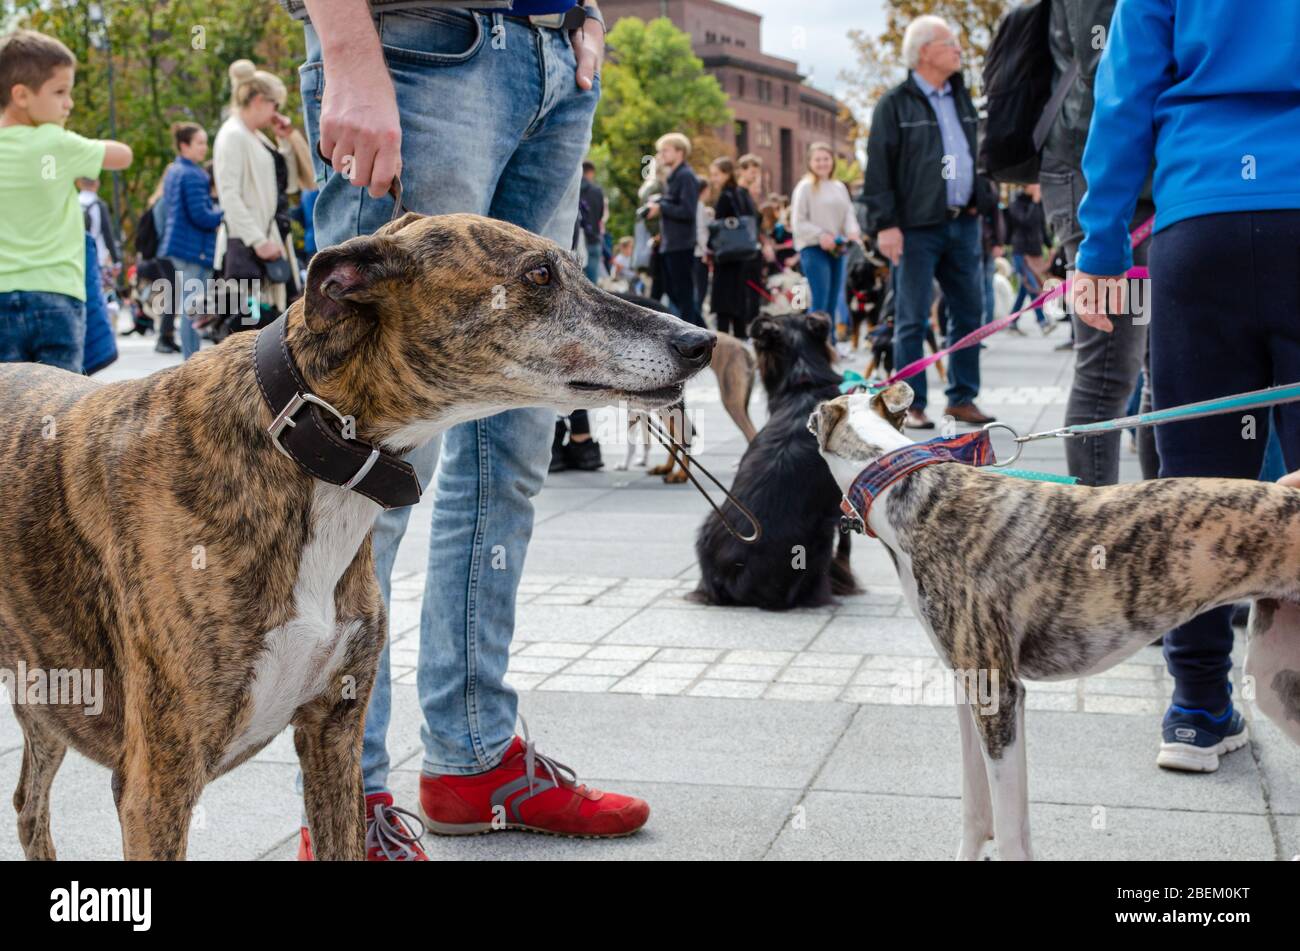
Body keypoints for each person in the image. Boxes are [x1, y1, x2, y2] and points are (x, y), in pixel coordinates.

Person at [289, 0, 649, 859]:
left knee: (516, 441)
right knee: (367, 445)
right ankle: (346, 802)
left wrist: (583, 23)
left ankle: (474, 756)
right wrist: (346, 45)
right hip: (418, 44)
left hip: (553, 58)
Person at [1072, 0, 1300, 772]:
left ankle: (1197, 706)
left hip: (1202, 218)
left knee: (1196, 481)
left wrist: (1100, 243)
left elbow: (1124, 91)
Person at [1043, 0, 1158, 486]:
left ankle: (1163, 520)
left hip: (1139, 187)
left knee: (1166, 368)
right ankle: (1096, 536)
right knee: (1111, 368)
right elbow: (1109, 85)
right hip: (1108, 191)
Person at [864, 14, 993, 429]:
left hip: (962, 223)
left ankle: (962, 397)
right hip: (915, 227)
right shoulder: (894, 103)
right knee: (912, 317)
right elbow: (878, 168)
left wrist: (982, 199)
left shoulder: (960, 97)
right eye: (949, 42)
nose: (958, 49)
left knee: (970, 311)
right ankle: (910, 403)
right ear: (924, 52)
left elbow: (977, 153)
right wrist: (884, 224)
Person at [0, 29, 132, 372]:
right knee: (60, 406)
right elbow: (123, 156)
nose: (68, 103)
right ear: (22, 95)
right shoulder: (55, 142)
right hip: (56, 296)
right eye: (60, 92)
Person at [213, 59, 299, 320]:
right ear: (260, 99)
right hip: (250, 248)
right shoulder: (233, 135)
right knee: (249, 328)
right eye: (275, 105)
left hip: (267, 241)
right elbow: (229, 195)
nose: (276, 112)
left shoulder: (254, 136)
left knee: (264, 326)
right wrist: (258, 241)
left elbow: (289, 184)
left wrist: (284, 141)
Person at [159, 122, 223, 360]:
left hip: (179, 246)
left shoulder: (174, 171)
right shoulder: (195, 174)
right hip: (195, 248)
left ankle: (189, 358)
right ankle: (191, 360)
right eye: (200, 143)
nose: (204, 148)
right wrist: (225, 213)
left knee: (189, 302)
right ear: (184, 145)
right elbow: (201, 216)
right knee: (194, 305)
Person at [791, 141, 860, 348]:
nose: (822, 163)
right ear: (810, 162)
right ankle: (811, 347)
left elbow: (849, 213)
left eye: (826, 159)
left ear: (832, 161)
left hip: (838, 249)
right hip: (814, 248)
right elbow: (798, 222)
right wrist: (821, 235)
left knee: (833, 300)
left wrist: (852, 230)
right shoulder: (805, 187)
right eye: (817, 159)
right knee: (819, 301)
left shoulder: (839, 187)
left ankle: (829, 346)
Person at [645, 131, 701, 326]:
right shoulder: (675, 176)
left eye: (666, 151)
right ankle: (702, 330)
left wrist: (662, 206)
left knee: (683, 294)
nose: (661, 155)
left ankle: (697, 335)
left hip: (681, 243)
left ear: (680, 152)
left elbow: (687, 210)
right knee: (675, 292)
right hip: (671, 243)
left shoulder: (685, 176)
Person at [707, 156, 758, 339]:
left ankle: (722, 338)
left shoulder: (725, 196)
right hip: (741, 253)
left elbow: (719, 225)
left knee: (723, 298)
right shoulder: (740, 194)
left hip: (727, 253)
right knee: (738, 296)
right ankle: (740, 334)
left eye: (716, 174)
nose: (713, 178)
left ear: (727, 174)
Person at [1005, 184, 1049, 333]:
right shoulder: (1016, 203)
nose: (1037, 187)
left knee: (1025, 289)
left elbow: (1041, 226)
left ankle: (1012, 320)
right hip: (1021, 251)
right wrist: (1035, 203)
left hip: (1035, 251)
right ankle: (1043, 321)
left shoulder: (1038, 203)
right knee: (1032, 286)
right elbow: (1026, 222)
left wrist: (1050, 245)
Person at [578, 158, 604, 283]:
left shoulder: (573, 188)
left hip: (576, 241)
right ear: (591, 173)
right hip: (593, 238)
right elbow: (600, 215)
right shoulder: (597, 191)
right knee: (592, 284)